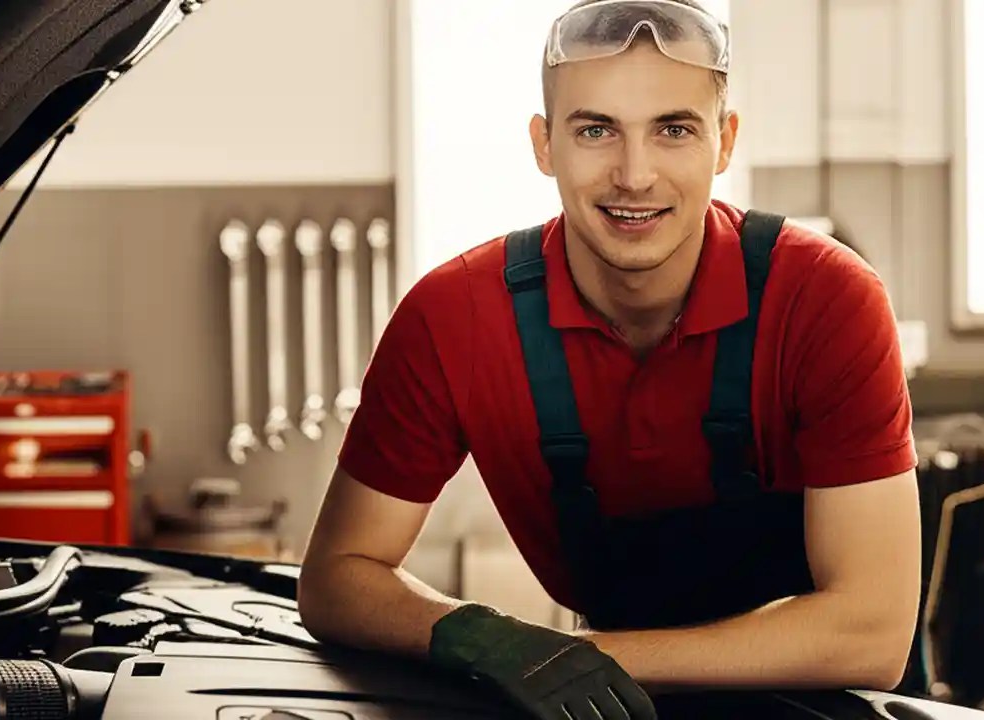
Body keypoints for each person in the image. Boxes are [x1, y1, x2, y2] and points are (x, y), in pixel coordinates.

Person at [297, 1, 922, 718]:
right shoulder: (454, 317)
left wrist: (573, 658)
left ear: (725, 141)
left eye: (674, 130)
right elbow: (335, 578)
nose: (634, 174)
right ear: (543, 144)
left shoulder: (826, 299)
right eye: (596, 130)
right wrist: (487, 639)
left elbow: (873, 634)